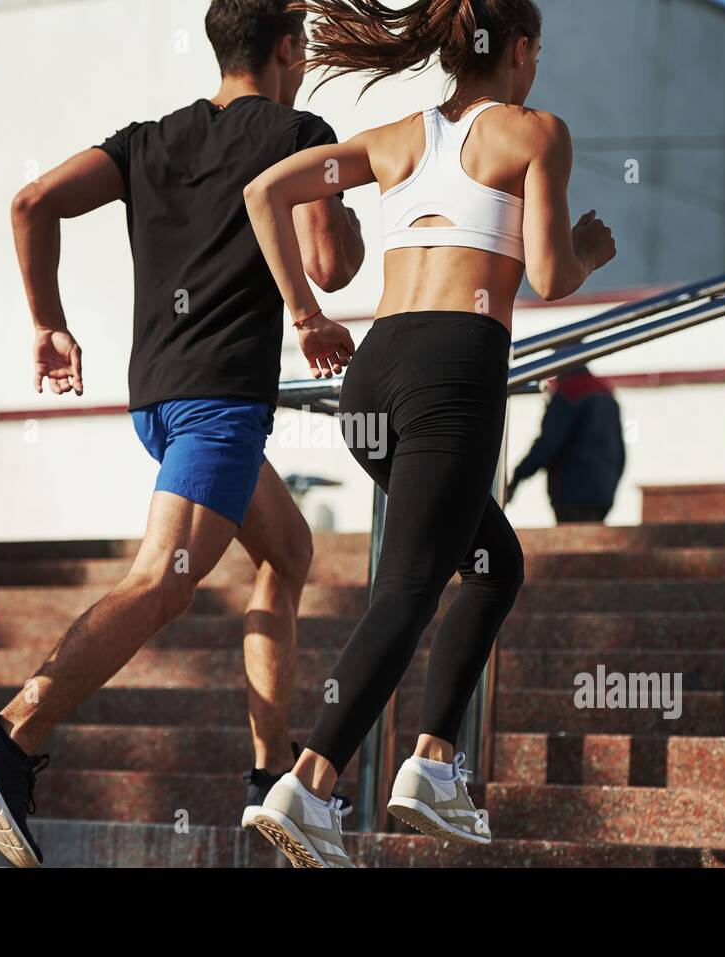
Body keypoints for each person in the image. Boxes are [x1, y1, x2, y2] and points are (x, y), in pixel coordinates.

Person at [0, 0, 364, 868]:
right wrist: (337, 191)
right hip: (221, 402)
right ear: (288, 48)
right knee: (161, 581)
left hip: (156, 399)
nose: (309, 59)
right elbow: (330, 265)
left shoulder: (151, 137)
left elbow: (31, 203)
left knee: (286, 552)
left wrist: (48, 324)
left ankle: (268, 775)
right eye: (306, 46)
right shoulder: (299, 131)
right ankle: (11, 732)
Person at [241, 0, 617, 867]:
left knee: (492, 563)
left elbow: (267, 191)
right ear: (520, 49)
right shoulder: (536, 132)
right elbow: (554, 274)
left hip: (375, 377)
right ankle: (309, 782)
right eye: (537, 53)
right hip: (457, 366)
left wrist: (306, 312)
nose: (536, 68)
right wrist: (592, 247)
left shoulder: (397, 136)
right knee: (412, 582)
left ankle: (431, 763)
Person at [508, 364, 626, 523]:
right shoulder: (605, 391)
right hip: (603, 491)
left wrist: (518, 476)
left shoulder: (570, 391)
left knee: (573, 542)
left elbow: (548, 443)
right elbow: (619, 449)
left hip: (572, 490)